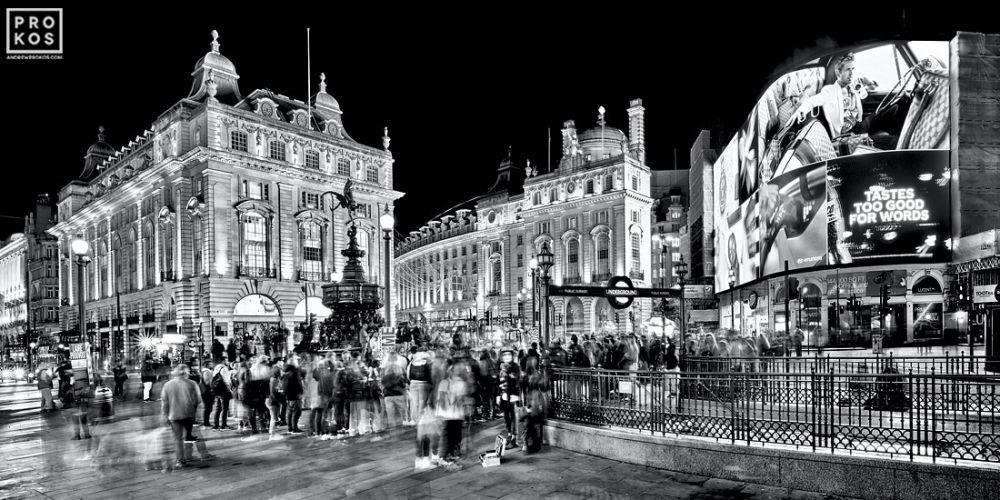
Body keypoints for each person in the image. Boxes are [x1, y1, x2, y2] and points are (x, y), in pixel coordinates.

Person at [160, 365, 212, 469]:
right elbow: (198, 400)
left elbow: (165, 403)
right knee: (190, 435)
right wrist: (197, 413)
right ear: (186, 373)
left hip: (174, 415)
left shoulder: (167, 385)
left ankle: (181, 460)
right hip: (189, 414)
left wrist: (164, 416)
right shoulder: (192, 384)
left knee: (177, 439)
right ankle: (197, 454)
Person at [211, 360, 233, 430]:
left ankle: (216, 425)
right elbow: (226, 380)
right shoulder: (224, 368)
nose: (228, 361)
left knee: (218, 408)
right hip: (224, 391)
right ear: (223, 361)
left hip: (217, 391)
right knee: (224, 408)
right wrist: (230, 390)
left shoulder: (216, 369)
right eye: (226, 360)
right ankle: (224, 425)